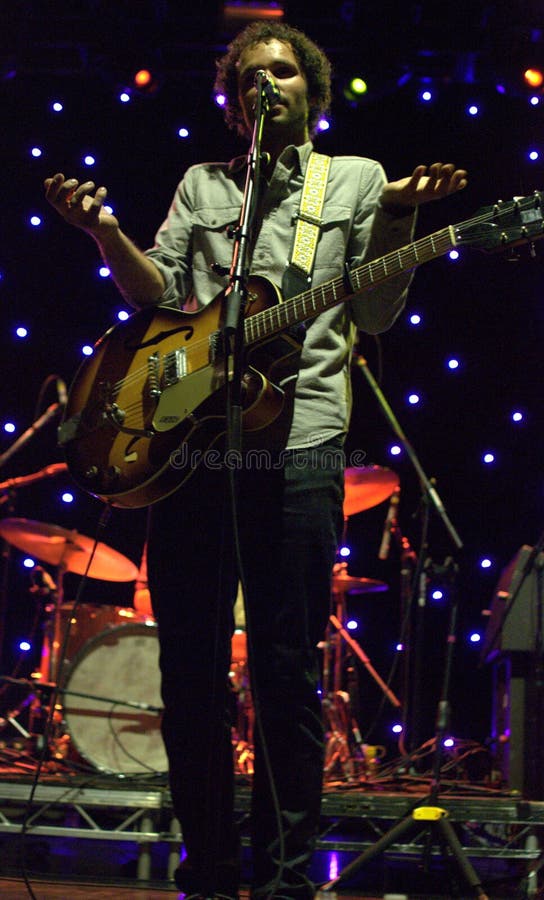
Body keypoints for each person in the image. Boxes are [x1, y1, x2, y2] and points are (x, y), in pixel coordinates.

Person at [44, 20, 467, 900]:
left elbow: (378, 313)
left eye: (283, 73)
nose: (266, 87)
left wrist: (397, 218)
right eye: (250, 79)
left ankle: (283, 879)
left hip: (302, 451)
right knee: (188, 673)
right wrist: (104, 234)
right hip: (193, 455)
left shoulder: (352, 183)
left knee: (284, 673)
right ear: (234, 108)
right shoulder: (204, 184)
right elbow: (159, 295)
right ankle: (208, 870)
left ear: (310, 88)